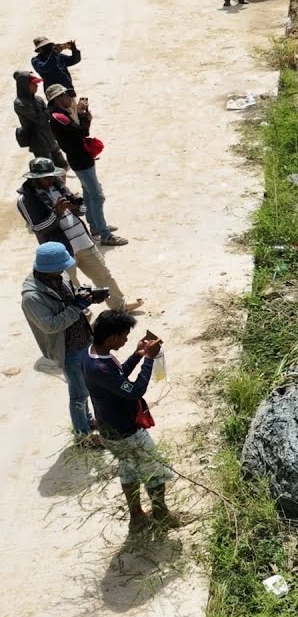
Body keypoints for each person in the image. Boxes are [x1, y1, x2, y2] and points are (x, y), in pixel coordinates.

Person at [85, 311, 189, 533]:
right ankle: (162, 514)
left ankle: (137, 517)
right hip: (126, 432)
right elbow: (133, 391)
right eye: (124, 336)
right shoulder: (100, 369)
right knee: (155, 471)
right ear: (112, 337)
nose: (125, 340)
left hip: (109, 431)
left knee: (129, 469)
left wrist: (138, 354)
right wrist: (149, 360)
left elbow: (119, 377)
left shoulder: (93, 355)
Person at [17, 157, 143, 313]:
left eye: (52, 175)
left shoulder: (59, 186)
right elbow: (38, 228)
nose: (51, 179)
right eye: (47, 177)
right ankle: (80, 314)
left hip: (83, 242)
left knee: (104, 276)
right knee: (70, 286)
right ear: (35, 178)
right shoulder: (25, 199)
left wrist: (75, 206)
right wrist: (57, 212)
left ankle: (119, 306)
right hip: (62, 250)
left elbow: (82, 211)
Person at [21, 242, 109, 449]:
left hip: (84, 339)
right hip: (68, 349)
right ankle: (83, 437)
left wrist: (87, 298)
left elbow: (72, 297)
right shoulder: (32, 297)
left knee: (86, 387)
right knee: (78, 394)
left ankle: (86, 421)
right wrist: (77, 307)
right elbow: (51, 326)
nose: (65, 270)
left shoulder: (61, 276)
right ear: (48, 269)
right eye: (61, 267)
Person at [44, 83, 128, 245]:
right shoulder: (59, 116)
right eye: (66, 95)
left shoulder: (60, 114)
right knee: (97, 196)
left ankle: (96, 226)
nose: (70, 98)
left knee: (89, 193)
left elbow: (79, 132)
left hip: (80, 158)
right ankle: (105, 234)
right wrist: (82, 115)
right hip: (80, 160)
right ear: (58, 98)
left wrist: (82, 116)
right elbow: (82, 132)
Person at [13, 71, 68, 169]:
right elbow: (40, 119)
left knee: (63, 166)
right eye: (33, 84)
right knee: (48, 169)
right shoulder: (20, 103)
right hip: (38, 141)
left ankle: (61, 184)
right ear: (25, 86)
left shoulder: (38, 99)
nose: (36, 86)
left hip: (49, 137)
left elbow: (48, 116)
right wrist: (52, 108)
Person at [31, 37, 81, 114]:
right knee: (62, 118)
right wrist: (54, 53)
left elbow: (74, 60)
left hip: (68, 90)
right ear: (39, 49)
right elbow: (46, 67)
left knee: (74, 116)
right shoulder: (36, 60)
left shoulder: (58, 56)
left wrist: (73, 49)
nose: (48, 48)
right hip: (55, 95)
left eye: (49, 45)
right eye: (45, 46)